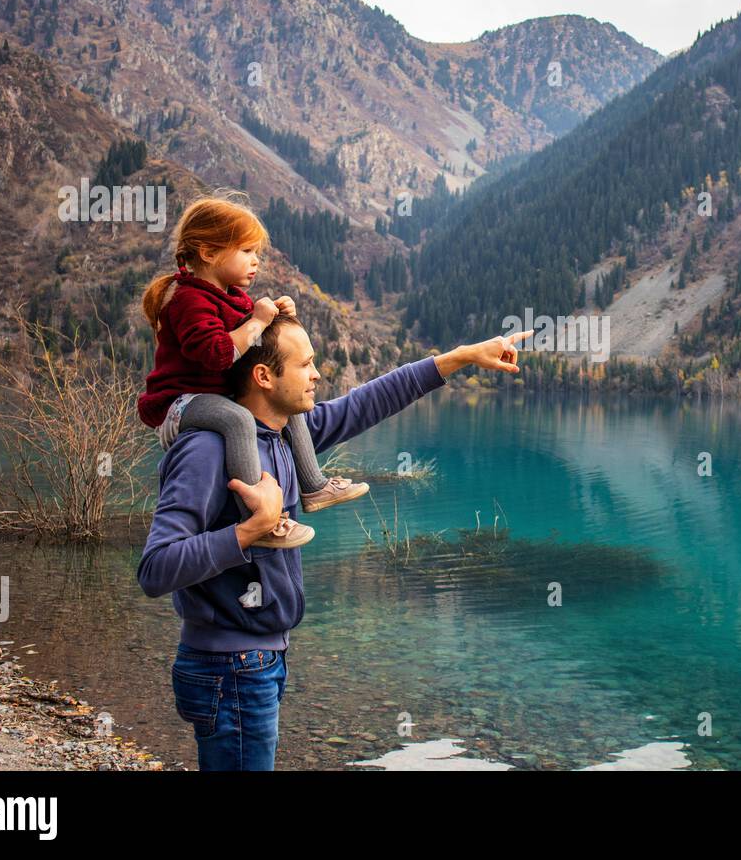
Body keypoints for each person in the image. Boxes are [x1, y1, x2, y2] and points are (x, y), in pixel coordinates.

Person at [137, 313, 533, 770]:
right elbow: (155, 569)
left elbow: (371, 400)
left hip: (256, 660)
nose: (318, 374)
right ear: (264, 376)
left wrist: (463, 357)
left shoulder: (283, 434)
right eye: (305, 365)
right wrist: (250, 530)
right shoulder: (207, 450)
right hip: (230, 667)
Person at [138, 195, 367, 549]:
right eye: (246, 251)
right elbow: (217, 355)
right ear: (209, 253)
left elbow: (250, 341)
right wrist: (259, 320)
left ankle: (314, 486)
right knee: (239, 421)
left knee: (286, 406)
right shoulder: (188, 300)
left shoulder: (231, 297)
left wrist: (276, 313)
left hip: (214, 395)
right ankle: (260, 519)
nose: (256, 261)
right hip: (181, 403)